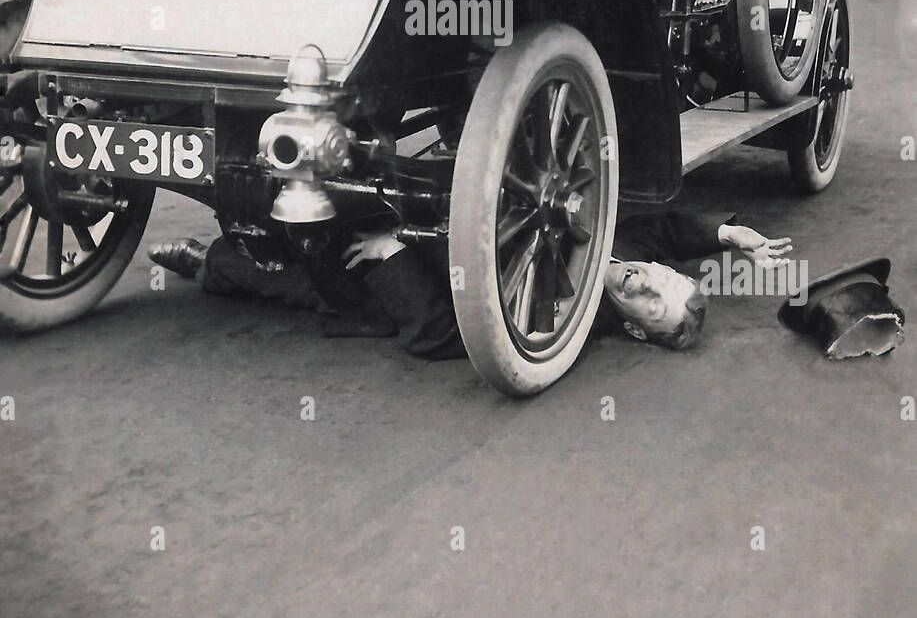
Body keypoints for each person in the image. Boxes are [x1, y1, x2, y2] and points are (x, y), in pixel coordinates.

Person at [148, 209, 792, 357]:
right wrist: (730, 235)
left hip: (398, 273)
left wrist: (395, 253)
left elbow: (444, 335)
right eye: (665, 280)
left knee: (287, 280)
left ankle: (208, 265)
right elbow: (673, 227)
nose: (647, 282)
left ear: (633, 326)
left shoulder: (559, 327)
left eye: (653, 306)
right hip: (442, 208)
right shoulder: (635, 245)